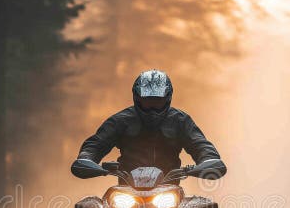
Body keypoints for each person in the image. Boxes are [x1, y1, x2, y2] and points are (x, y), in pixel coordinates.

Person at [71, 69, 225, 176]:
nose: (152, 109)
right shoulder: (121, 120)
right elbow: (96, 144)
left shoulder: (180, 120)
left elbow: (200, 144)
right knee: (90, 207)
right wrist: (86, 159)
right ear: (137, 99)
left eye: (157, 103)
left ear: (168, 99)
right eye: (147, 102)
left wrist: (209, 160)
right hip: (126, 191)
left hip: (169, 190)